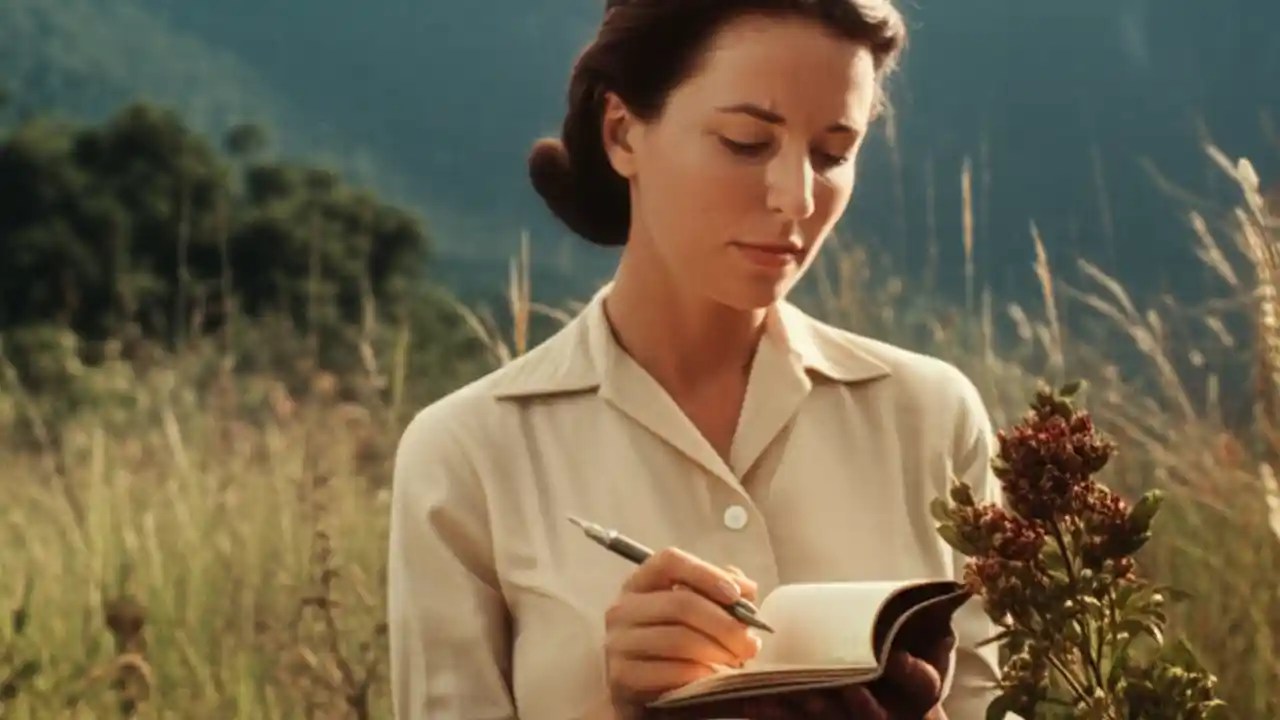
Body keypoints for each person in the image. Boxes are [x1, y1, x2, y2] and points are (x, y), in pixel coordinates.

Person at [388, 0, 1009, 718]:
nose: (797, 198)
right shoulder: (469, 453)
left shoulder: (930, 417)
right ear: (622, 132)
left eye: (833, 153)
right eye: (746, 142)